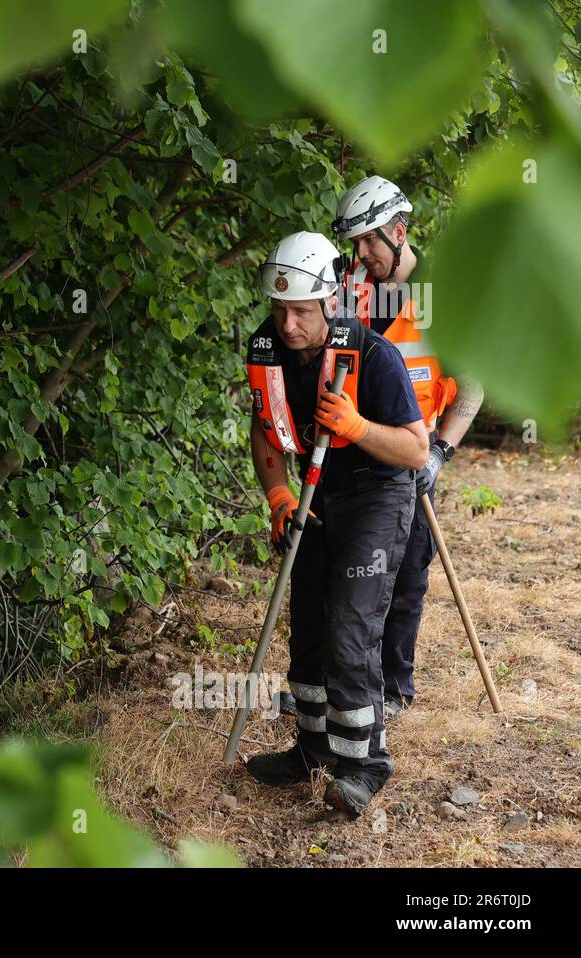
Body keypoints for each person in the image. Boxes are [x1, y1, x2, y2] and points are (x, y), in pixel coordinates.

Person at [244, 231, 429, 816]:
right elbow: (266, 434)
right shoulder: (271, 352)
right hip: (314, 494)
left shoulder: (374, 357)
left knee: (351, 623)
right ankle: (312, 748)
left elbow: (415, 450)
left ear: (329, 304)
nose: (288, 323)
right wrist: (277, 494)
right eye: (279, 310)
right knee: (310, 627)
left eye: (301, 311)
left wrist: (355, 427)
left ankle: (365, 763)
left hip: (377, 494)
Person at [332, 176, 485, 720]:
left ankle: (394, 689)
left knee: (405, 577)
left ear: (399, 231)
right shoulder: (351, 288)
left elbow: (473, 386)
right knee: (347, 574)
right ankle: (347, 687)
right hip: (350, 450)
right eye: (354, 244)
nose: (362, 254)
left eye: (370, 240)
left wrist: (440, 453)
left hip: (411, 457)